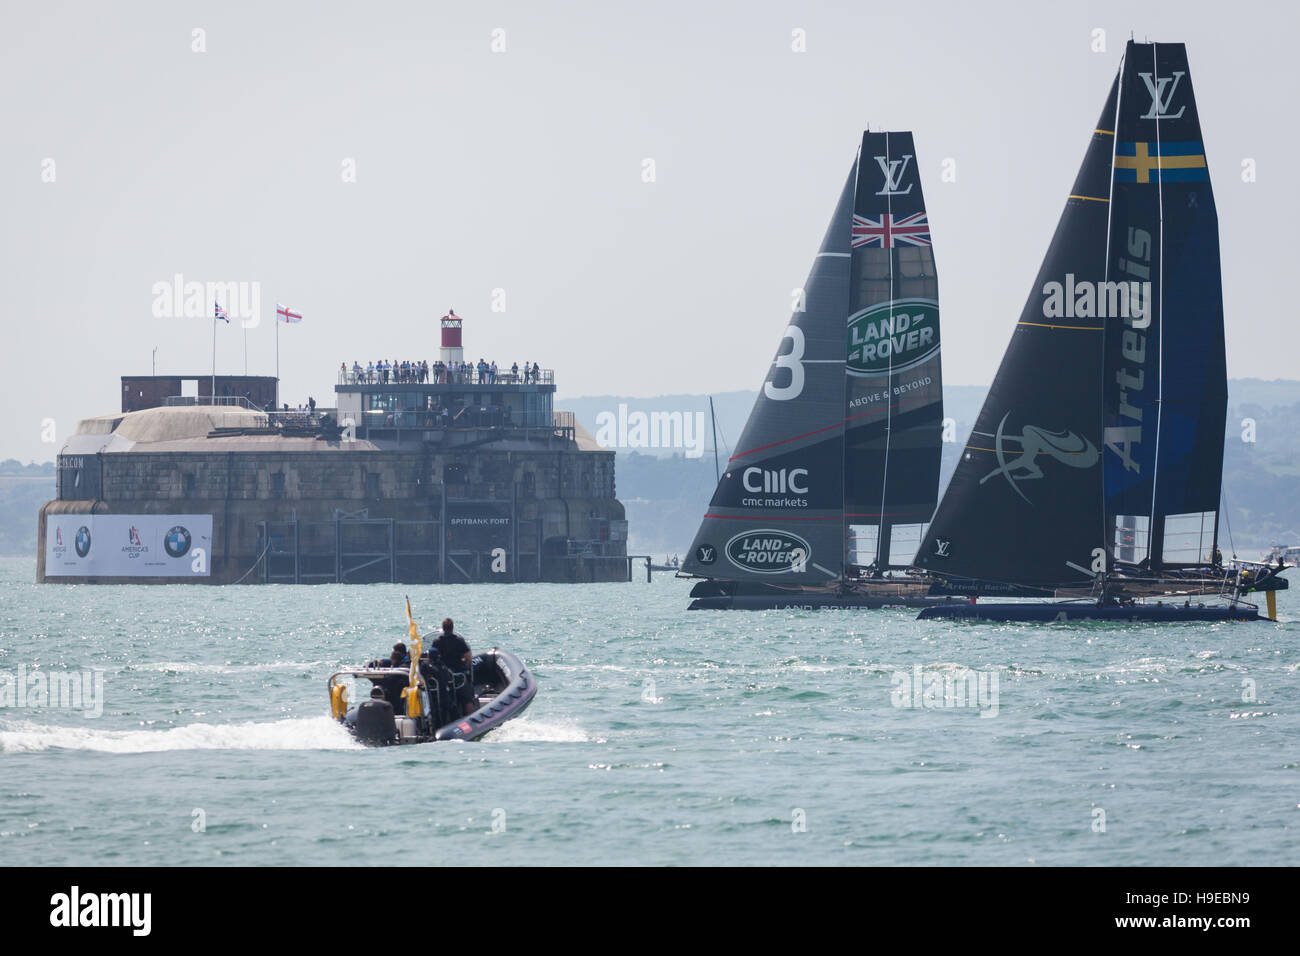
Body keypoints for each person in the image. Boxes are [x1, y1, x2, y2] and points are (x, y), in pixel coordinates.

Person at [431, 618, 475, 716]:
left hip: (443, 677)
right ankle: (472, 719)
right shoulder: (459, 640)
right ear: (452, 628)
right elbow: (468, 657)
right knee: (467, 699)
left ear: (443, 628)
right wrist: (462, 661)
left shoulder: (437, 642)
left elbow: (432, 658)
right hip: (458, 675)